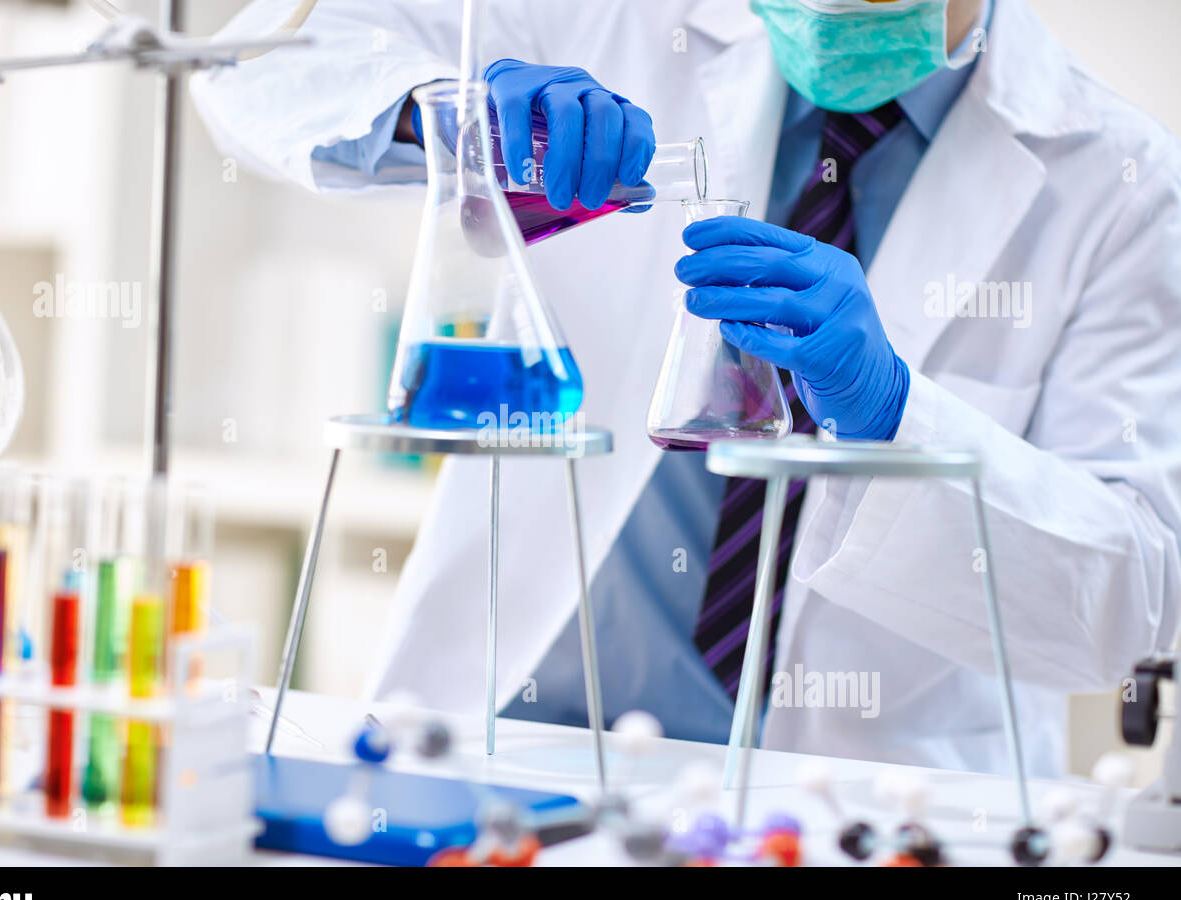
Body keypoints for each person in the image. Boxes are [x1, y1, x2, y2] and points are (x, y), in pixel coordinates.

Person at [193, 0, 1181, 777]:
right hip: (516, 751)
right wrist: (445, 110)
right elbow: (255, 59)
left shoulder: (1121, 184)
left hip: (864, 788)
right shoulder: (616, 18)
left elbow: (1133, 597)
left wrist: (895, 415)